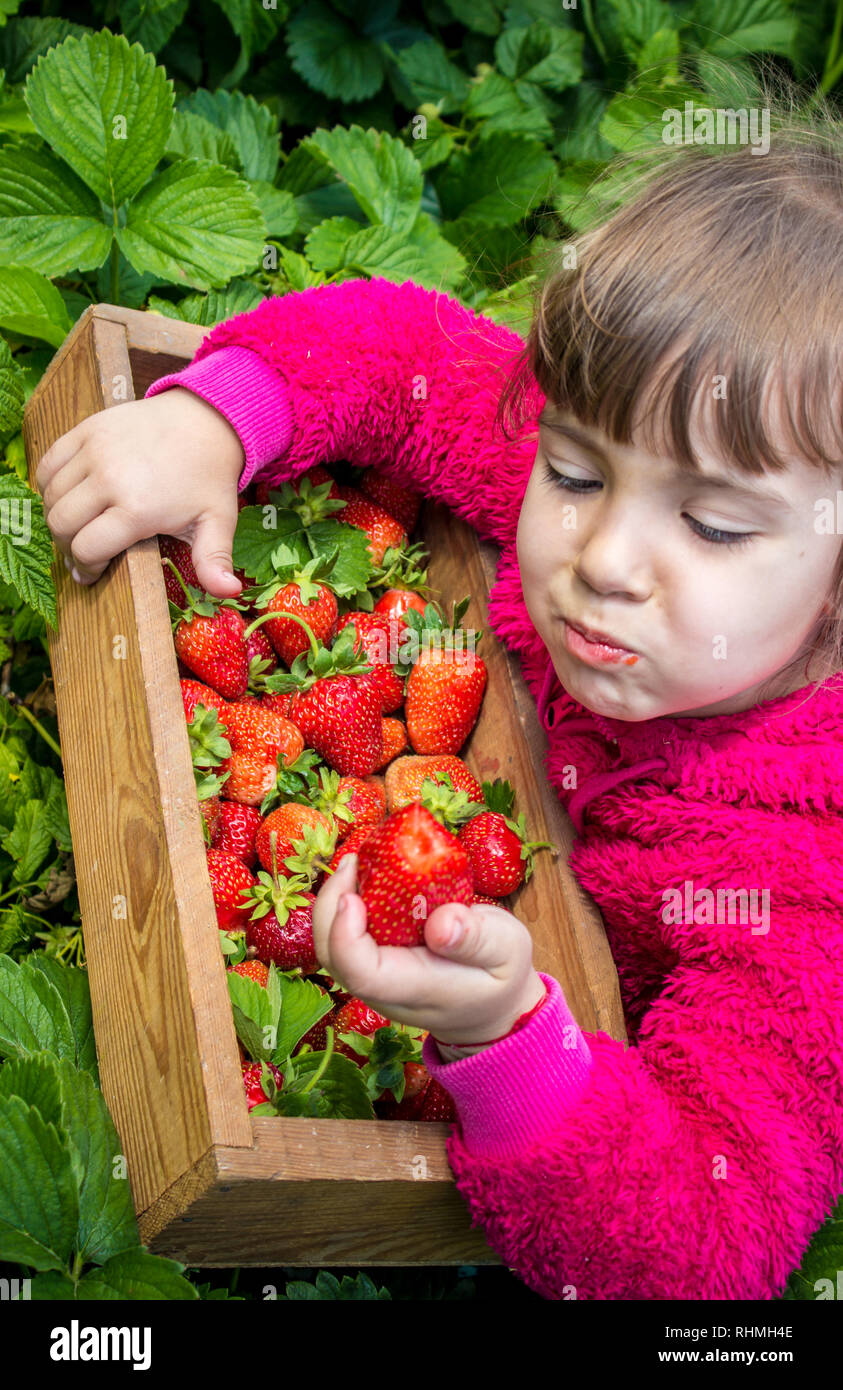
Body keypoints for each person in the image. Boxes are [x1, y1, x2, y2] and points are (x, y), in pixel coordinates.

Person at [34, 90, 843, 1301]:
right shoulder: (574, 466)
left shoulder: (796, 886)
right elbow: (406, 354)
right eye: (573, 469)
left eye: (715, 524)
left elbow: (706, 1243)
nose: (603, 558)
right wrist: (223, 416)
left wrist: (510, 1031)